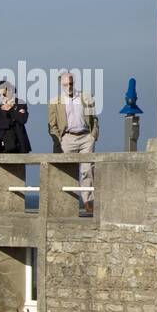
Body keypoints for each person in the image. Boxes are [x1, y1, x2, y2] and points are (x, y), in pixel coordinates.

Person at [47, 72, 98, 213]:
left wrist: (93, 135)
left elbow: (94, 118)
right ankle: (65, 203)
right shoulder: (54, 101)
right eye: (65, 84)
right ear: (60, 84)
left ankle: (88, 202)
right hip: (67, 138)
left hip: (85, 137)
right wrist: (59, 139)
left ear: (74, 82)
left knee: (87, 170)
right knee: (66, 170)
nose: (68, 86)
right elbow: (52, 125)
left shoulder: (85, 97)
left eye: (70, 83)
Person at [0, 80, 32, 154]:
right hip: (1, 146)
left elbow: (23, 120)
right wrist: (12, 119)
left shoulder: (20, 104)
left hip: (18, 145)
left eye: (4, 94)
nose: (2, 97)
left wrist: (11, 109)